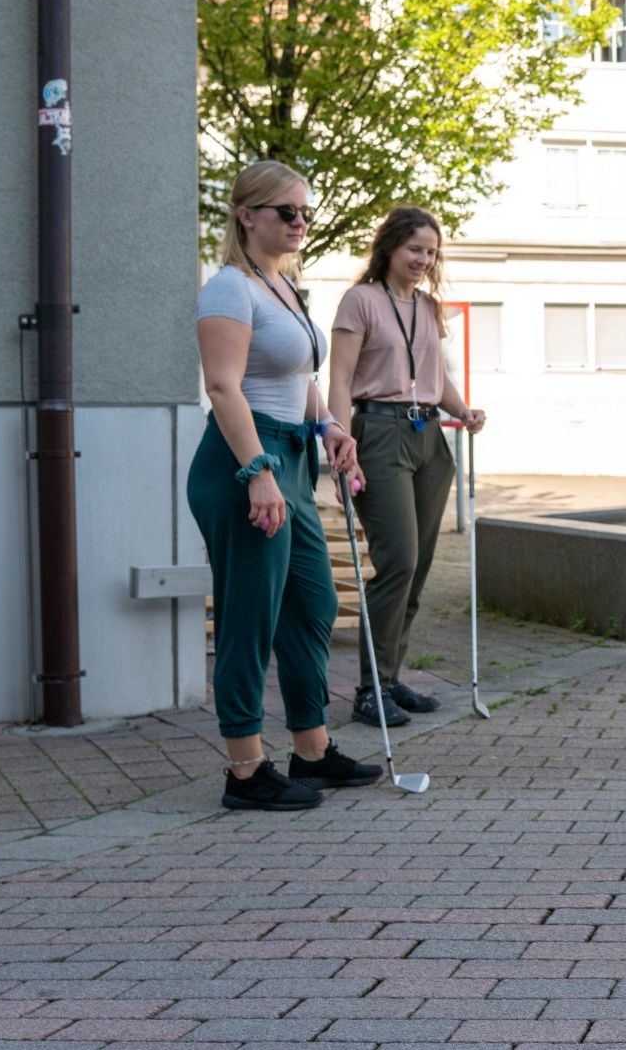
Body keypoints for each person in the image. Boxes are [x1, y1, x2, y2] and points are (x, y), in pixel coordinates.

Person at [190, 161, 379, 810]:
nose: (300, 223)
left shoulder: (285, 288)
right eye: (285, 212)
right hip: (246, 464)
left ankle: (311, 750)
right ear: (247, 215)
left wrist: (327, 424)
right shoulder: (229, 289)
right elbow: (224, 387)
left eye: (306, 213)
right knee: (249, 617)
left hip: (291, 463)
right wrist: (257, 473)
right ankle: (245, 772)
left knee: (312, 605)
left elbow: (298, 378)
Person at [328, 206, 486, 728]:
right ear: (391, 247)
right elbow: (341, 379)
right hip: (379, 433)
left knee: (417, 569)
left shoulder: (428, 306)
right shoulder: (361, 301)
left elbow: (436, 379)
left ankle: (391, 679)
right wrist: (338, 440)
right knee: (397, 561)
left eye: (431, 252)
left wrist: (464, 412)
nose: (423, 259)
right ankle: (369, 689)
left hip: (429, 438)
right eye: (415, 249)